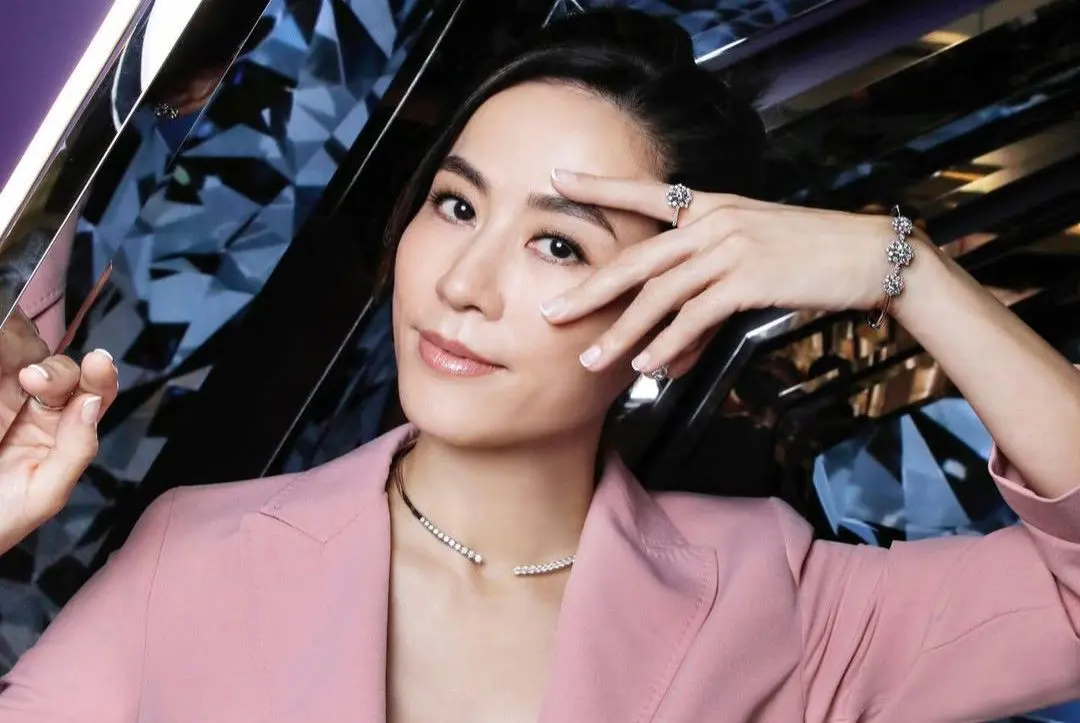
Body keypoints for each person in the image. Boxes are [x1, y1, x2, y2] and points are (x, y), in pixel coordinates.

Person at [0, 8, 1077, 722]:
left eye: (558, 244)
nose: (466, 283)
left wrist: (908, 271)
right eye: (457, 205)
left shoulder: (776, 604)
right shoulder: (197, 551)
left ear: (679, 309)